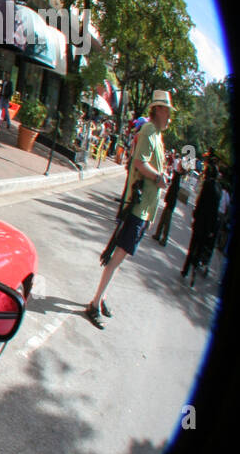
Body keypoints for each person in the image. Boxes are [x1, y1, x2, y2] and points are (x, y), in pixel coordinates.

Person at [85, 90, 173, 328]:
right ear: (159, 110)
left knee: (120, 257)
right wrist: (159, 177)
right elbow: (138, 163)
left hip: (144, 210)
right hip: (136, 207)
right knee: (118, 256)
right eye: (168, 111)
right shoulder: (148, 132)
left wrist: (152, 215)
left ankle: (100, 298)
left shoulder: (157, 136)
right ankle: (94, 303)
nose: (170, 117)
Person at [182, 157, 220, 286]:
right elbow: (215, 213)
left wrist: (195, 215)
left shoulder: (207, 186)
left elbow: (200, 203)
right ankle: (193, 272)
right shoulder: (218, 190)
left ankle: (185, 269)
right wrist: (211, 229)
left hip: (200, 222)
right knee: (199, 250)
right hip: (207, 226)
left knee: (193, 246)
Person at [153, 152, 185, 244]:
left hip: (171, 202)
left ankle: (164, 238)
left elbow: (173, 192)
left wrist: (167, 199)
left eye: (179, 165)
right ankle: (158, 234)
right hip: (170, 201)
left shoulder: (178, 177)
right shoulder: (177, 176)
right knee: (163, 219)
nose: (177, 164)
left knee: (167, 221)